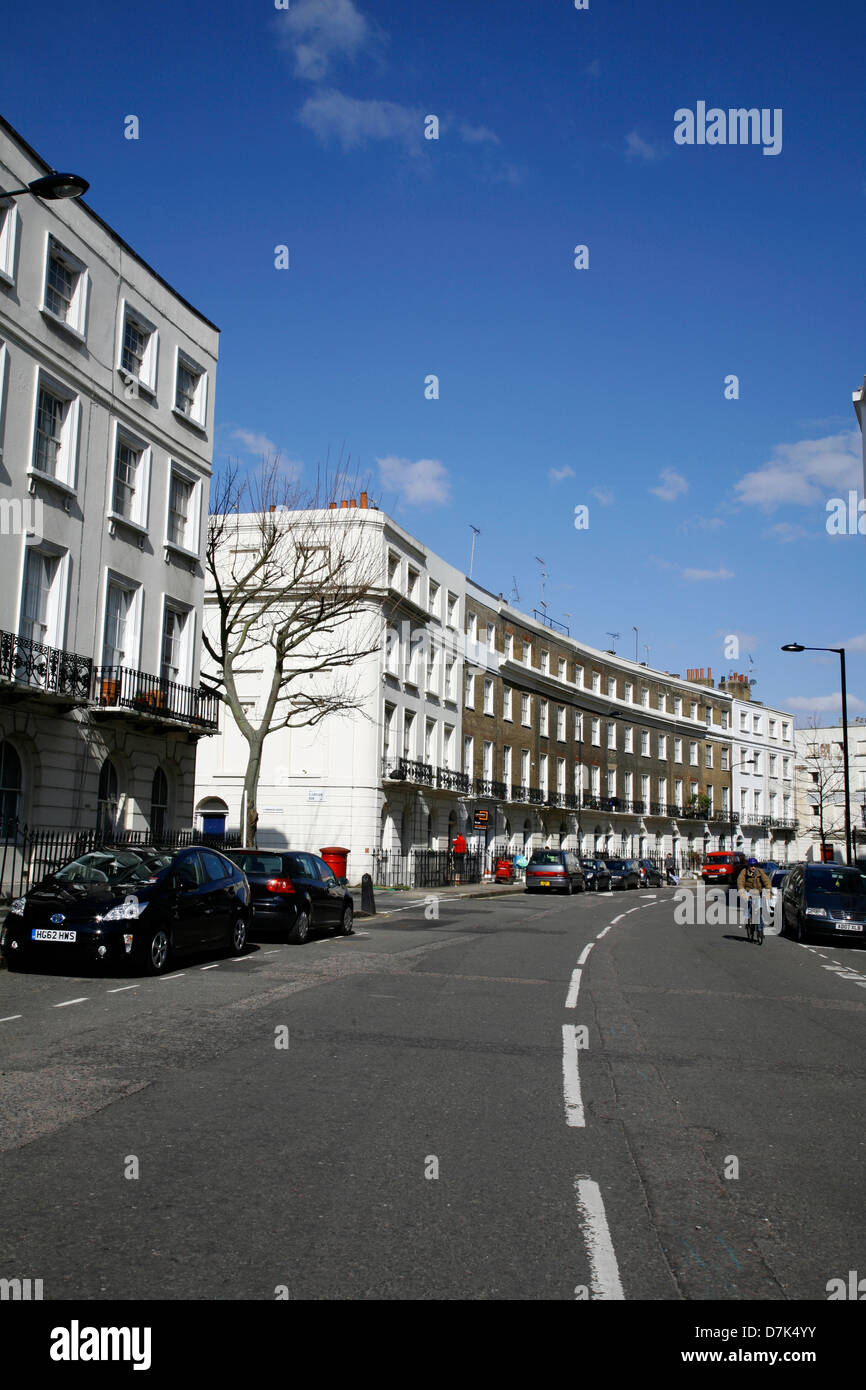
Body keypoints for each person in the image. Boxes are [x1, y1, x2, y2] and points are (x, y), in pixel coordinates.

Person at [736, 857, 771, 938]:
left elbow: (767, 881)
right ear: (748, 866)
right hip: (748, 891)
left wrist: (768, 891)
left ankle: (760, 929)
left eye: (755, 865)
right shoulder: (744, 872)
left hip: (758, 892)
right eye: (751, 865)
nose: (753, 867)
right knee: (748, 904)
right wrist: (742, 892)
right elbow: (740, 882)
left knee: (759, 910)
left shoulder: (760, 872)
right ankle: (748, 919)